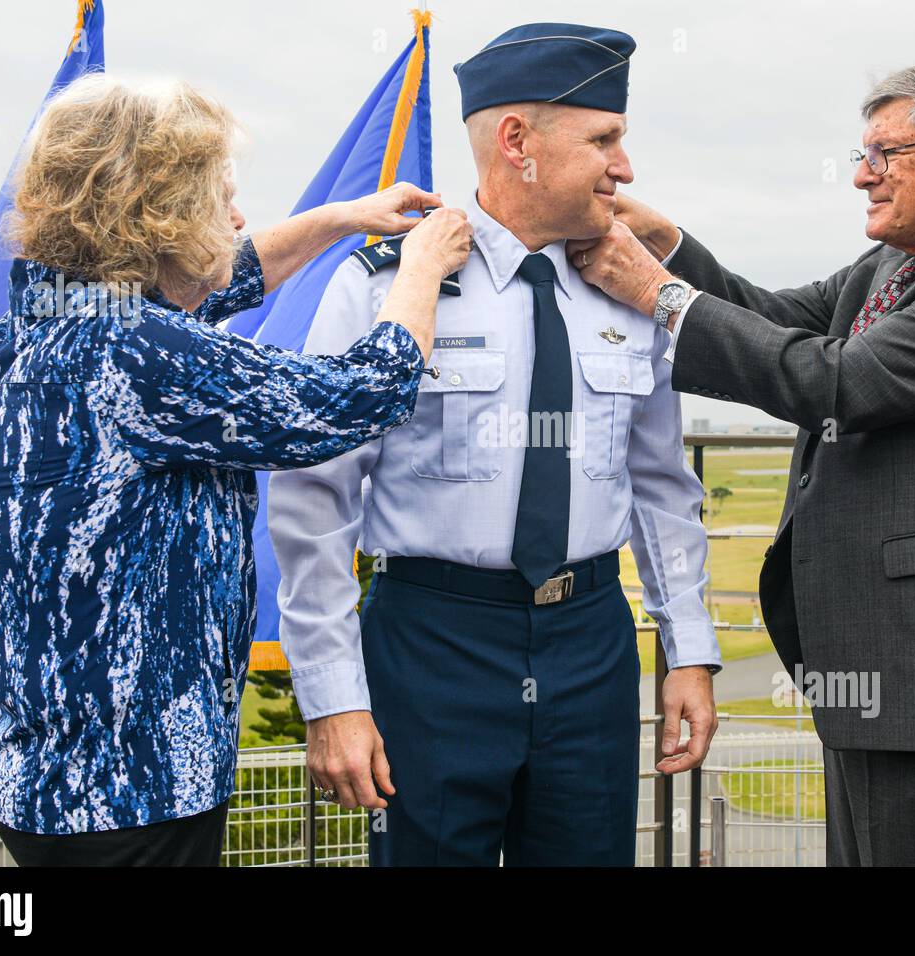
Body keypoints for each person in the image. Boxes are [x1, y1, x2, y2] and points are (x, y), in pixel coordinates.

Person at [565, 58, 915, 866]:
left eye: (887, 154)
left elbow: (840, 379)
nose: (862, 177)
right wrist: (666, 245)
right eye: (863, 155)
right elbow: (779, 319)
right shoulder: (900, 263)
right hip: (888, 671)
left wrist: (656, 294)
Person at [0, 73, 472, 865]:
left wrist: (342, 219)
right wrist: (420, 269)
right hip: (131, 801)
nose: (236, 218)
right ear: (154, 214)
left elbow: (216, 278)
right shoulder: (133, 352)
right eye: (217, 197)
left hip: (48, 788)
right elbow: (357, 398)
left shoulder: (47, 317)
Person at [269, 23, 721, 867]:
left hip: (590, 641)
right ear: (518, 142)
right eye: (604, 139)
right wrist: (332, 698)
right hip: (430, 647)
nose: (624, 167)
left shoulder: (629, 289)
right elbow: (314, 501)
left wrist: (688, 650)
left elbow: (660, 485)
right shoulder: (387, 285)